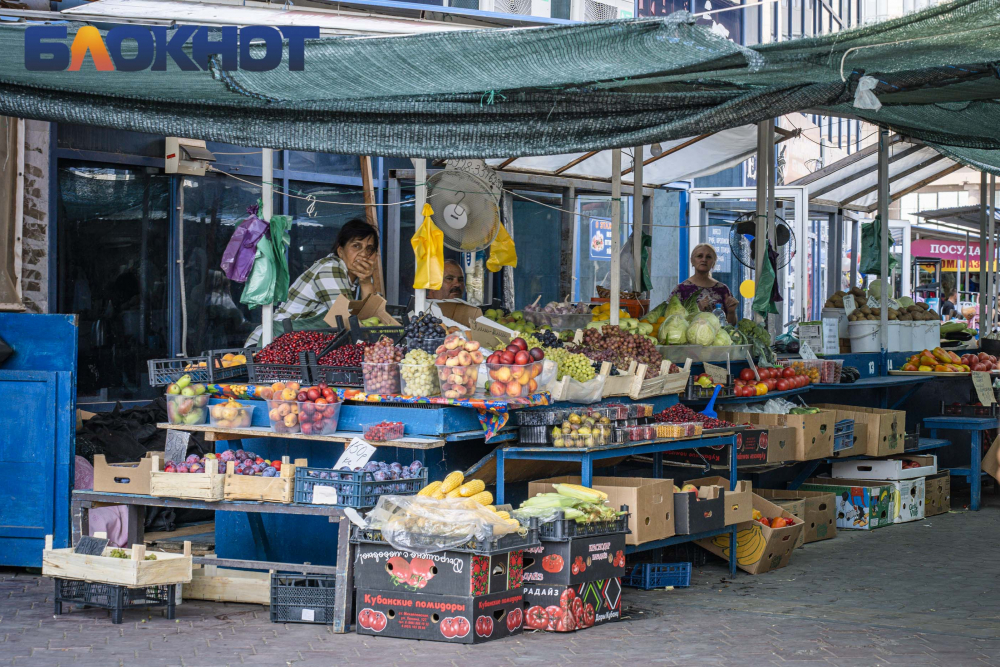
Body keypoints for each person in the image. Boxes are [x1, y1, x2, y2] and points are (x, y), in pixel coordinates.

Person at [246, 219, 378, 344]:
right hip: (268, 344)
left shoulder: (352, 279)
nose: (363, 254)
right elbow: (346, 322)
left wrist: (366, 282)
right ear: (340, 251)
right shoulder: (330, 269)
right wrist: (377, 344)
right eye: (356, 246)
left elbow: (371, 316)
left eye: (369, 249)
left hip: (296, 346)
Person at [668, 244, 738, 325]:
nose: (704, 259)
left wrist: (731, 312)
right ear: (692, 261)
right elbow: (671, 320)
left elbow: (731, 325)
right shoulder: (681, 289)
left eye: (708, 257)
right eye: (699, 256)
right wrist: (697, 311)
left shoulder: (722, 289)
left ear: (714, 262)